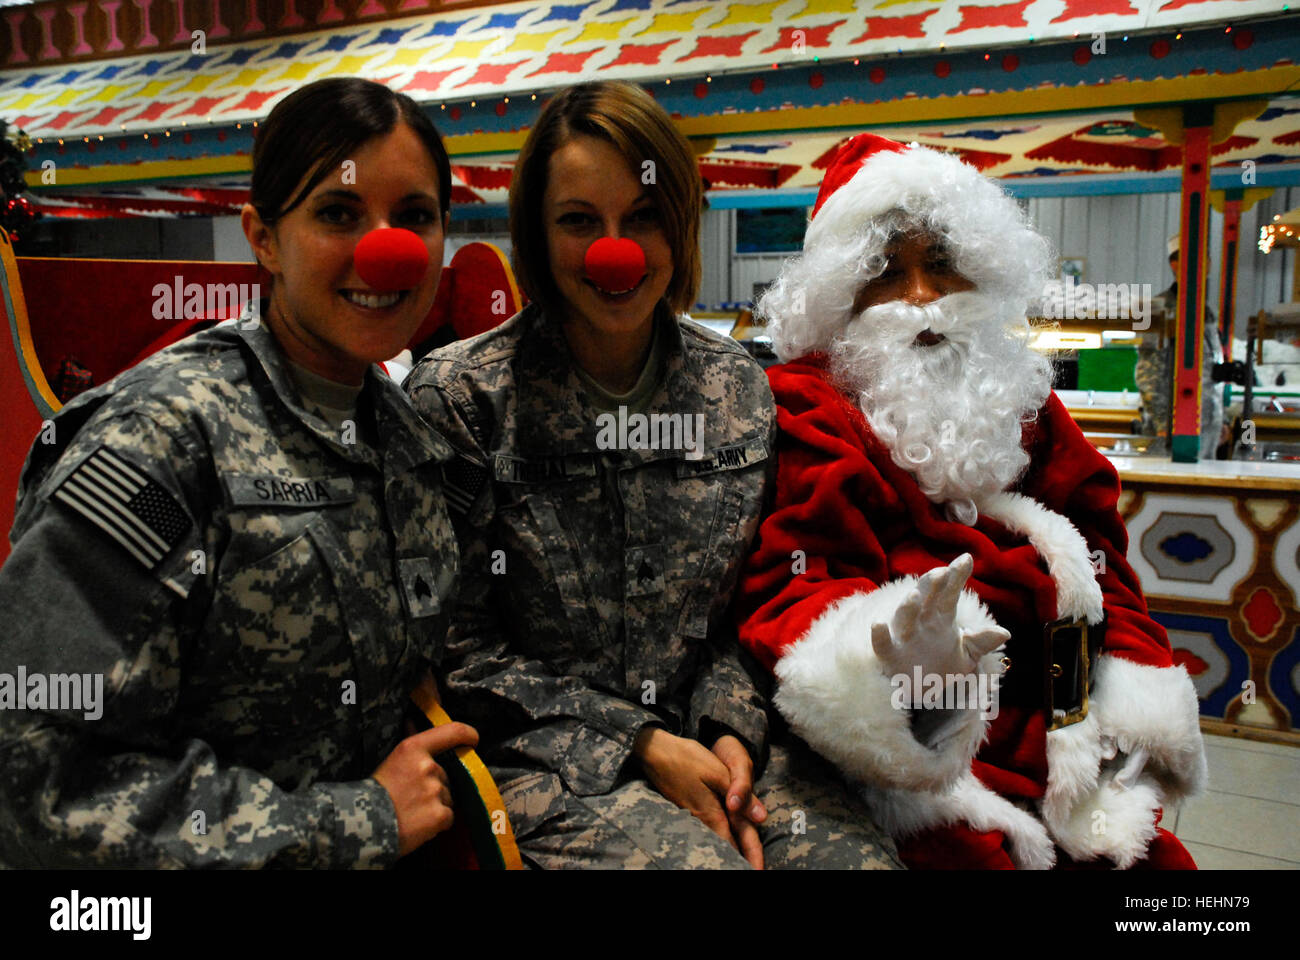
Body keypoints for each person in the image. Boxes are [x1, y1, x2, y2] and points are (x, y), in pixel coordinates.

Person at [407, 81, 899, 870]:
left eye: (640, 218)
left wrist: (730, 730)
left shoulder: (736, 389)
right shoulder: (463, 397)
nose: (617, 250)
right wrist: (640, 744)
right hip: (548, 761)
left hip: (723, 742)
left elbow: (756, 601)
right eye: (579, 222)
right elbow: (455, 647)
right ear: (537, 234)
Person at [0, 77, 477, 868]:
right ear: (262, 237)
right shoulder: (160, 446)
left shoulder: (404, 438)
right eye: (337, 214)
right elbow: (35, 781)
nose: (385, 247)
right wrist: (356, 822)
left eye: (415, 218)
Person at [736, 133, 1207, 870]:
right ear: (840, 295)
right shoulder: (808, 409)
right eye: (888, 273)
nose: (922, 297)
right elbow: (798, 588)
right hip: (921, 765)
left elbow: (1106, 559)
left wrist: (1134, 695)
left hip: (1063, 744)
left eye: (943, 265)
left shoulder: (1027, 402)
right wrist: (903, 674)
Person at [1134, 233, 1225, 458]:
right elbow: (1149, 375)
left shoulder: (1207, 310)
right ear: (1175, 264)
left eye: (1208, 258)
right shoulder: (1158, 309)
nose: (1208, 264)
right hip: (1172, 427)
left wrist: (1220, 419)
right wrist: (1161, 424)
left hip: (1206, 426)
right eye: (1199, 258)